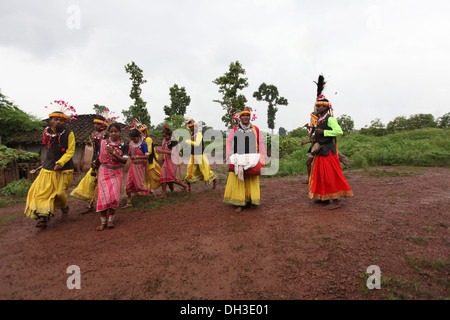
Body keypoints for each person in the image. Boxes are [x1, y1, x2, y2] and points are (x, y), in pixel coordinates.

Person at [24, 106, 76, 228]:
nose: (58, 121)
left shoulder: (69, 133)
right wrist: (47, 161)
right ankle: (43, 217)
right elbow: (48, 148)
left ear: (64, 122)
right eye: (55, 119)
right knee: (42, 192)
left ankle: (64, 206)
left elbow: (70, 150)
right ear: (50, 121)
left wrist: (60, 163)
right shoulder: (46, 132)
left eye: (61, 120)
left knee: (59, 193)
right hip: (47, 168)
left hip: (65, 169)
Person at [308, 75, 353, 209]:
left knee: (330, 175)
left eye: (320, 106)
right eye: (317, 106)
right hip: (320, 151)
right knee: (320, 175)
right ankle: (323, 197)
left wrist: (325, 132)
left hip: (328, 151)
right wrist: (314, 138)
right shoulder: (319, 120)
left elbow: (339, 131)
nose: (318, 108)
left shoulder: (330, 119)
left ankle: (336, 200)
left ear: (326, 108)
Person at [223, 108, 266, 213]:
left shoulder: (256, 129)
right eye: (243, 115)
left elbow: (260, 142)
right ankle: (240, 203)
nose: (246, 117)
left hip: (253, 157)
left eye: (248, 115)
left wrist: (264, 155)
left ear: (250, 117)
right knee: (240, 179)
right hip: (239, 157)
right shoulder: (234, 129)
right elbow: (228, 142)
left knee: (251, 178)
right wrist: (229, 154)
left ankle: (251, 201)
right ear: (240, 118)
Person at [70, 114, 108, 211]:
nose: (95, 126)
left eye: (98, 124)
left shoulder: (107, 135)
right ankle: (91, 203)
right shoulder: (93, 134)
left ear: (103, 125)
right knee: (92, 181)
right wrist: (93, 161)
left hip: (104, 161)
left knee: (101, 182)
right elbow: (95, 150)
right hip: (95, 160)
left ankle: (104, 202)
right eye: (95, 124)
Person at [95, 122, 129, 230]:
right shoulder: (103, 143)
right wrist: (93, 169)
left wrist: (113, 153)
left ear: (119, 132)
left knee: (114, 196)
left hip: (116, 172)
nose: (113, 133)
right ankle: (103, 221)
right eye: (111, 131)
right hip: (104, 172)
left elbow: (124, 161)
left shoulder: (124, 146)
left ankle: (110, 219)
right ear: (109, 132)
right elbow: (99, 157)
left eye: (116, 131)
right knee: (103, 197)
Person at [122, 128, 155, 209]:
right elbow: (129, 153)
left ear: (139, 136)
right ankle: (129, 203)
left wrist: (138, 157)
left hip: (140, 166)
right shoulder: (130, 143)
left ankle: (152, 191)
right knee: (128, 185)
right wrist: (130, 157)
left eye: (134, 138)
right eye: (131, 139)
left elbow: (147, 156)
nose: (133, 140)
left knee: (139, 186)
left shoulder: (143, 144)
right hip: (132, 166)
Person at [183, 119, 218, 191]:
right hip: (193, 154)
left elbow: (197, 144)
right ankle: (188, 187)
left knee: (204, 170)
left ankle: (215, 181)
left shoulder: (198, 134)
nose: (191, 128)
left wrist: (187, 141)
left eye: (192, 127)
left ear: (196, 126)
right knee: (189, 169)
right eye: (189, 127)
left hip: (199, 155)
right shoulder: (192, 134)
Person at [131, 119, 163, 195]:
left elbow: (149, 151)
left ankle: (167, 182)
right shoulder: (139, 141)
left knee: (156, 176)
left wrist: (139, 155)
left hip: (150, 161)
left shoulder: (148, 139)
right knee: (146, 177)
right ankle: (147, 190)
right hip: (144, 161)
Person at [156, 126, 189, 198]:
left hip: (173, 160)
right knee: (163, 177)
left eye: (166, 136)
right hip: (167, 160)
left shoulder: (173, 141)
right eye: (164, 136)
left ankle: (185, 186)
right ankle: (163, 194)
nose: (165, 137)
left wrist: (162, 151)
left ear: (170, 135)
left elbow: (173, 152)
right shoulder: (165, 141)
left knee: (171, 178)